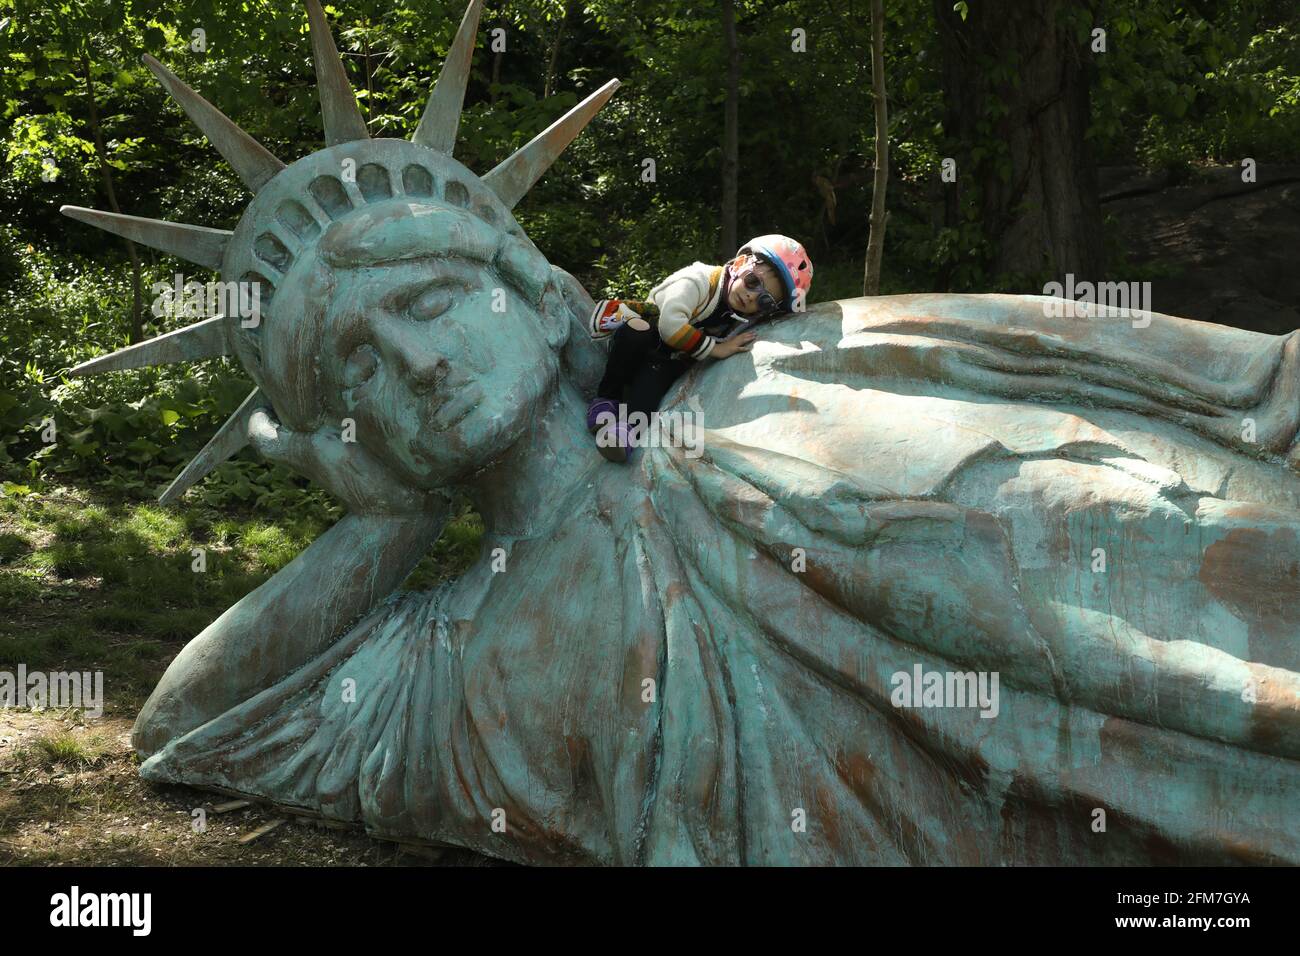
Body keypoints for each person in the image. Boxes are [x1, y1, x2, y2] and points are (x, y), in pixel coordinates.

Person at [585, 234, 814, 461]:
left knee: (656, 379)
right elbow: (670, 325)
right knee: (635, 332)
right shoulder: (698, 280)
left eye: (764, 301)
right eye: (752, 282)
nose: (751, 296)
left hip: (667, 359)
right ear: (739, 264)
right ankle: (607, 398)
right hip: (649, 337)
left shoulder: (744, 316)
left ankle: (625, 432)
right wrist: (716, 350)